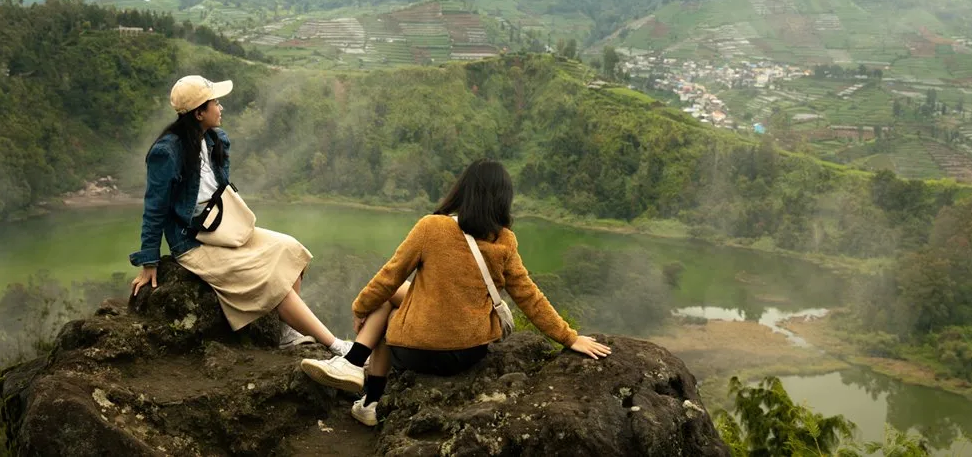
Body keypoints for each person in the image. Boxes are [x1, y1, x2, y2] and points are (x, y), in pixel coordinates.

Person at [300, 159, 612, 427]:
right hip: (468, 353)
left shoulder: (431, 227)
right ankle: (360, 384)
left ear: (463, 190)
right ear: (503, 200)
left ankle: (362, 382)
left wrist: (360, 307)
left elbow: (389, 276)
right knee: (393, 300)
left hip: (415, 351)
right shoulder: (505, 241)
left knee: (386, 310)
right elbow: (530, 297)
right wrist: (570, 338)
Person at [129, 75, 353, 353]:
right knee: (272, 282)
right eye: (215, 103)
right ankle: (336, 346)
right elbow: (154, 208)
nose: (221, 107)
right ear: (199, 113)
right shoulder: (167, 152)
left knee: (292, 251)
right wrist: (149, 261)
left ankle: (287, 331)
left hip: (224, 229)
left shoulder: (213, 139)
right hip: (194, 242)